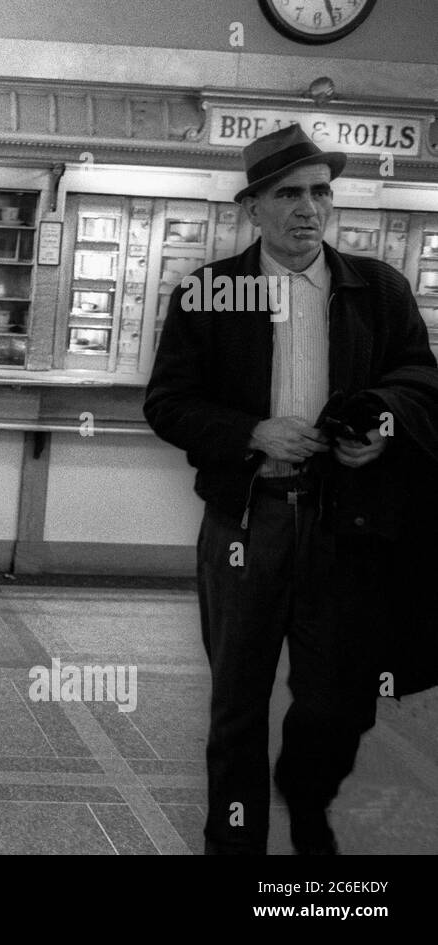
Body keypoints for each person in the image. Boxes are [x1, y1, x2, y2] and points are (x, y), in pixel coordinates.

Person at [145, 124, 438, 855]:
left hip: (347, 525)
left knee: (338, 699)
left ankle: (309, 806)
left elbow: (421, 381)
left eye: (320, 191)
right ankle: (233, 845)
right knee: (237, 705)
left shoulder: (378, 289)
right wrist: (252, 432)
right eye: (289, 193)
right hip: (248, 523)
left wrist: (384, 430)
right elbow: (168, 402)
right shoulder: (207, 293)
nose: (309, 208)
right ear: (252, 208)